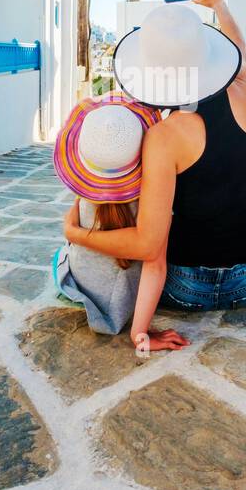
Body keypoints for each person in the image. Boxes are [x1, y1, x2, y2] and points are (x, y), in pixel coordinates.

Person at [63, 0, 246, 344]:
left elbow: (148, 246)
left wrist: (79, 235)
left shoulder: (164, 138)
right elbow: (241, 52)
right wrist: (219, 4)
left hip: (188, 287)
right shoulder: (242, 95)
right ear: (206, 55)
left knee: (124, 232)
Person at [51, 94, 191, 353]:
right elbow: (155, 264)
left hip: (82, 284)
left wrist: (72, 231)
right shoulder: (151, 200)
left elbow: (73, 224)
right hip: (123, 296)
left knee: (59, 258)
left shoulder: (87, 196)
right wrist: (140, 333)